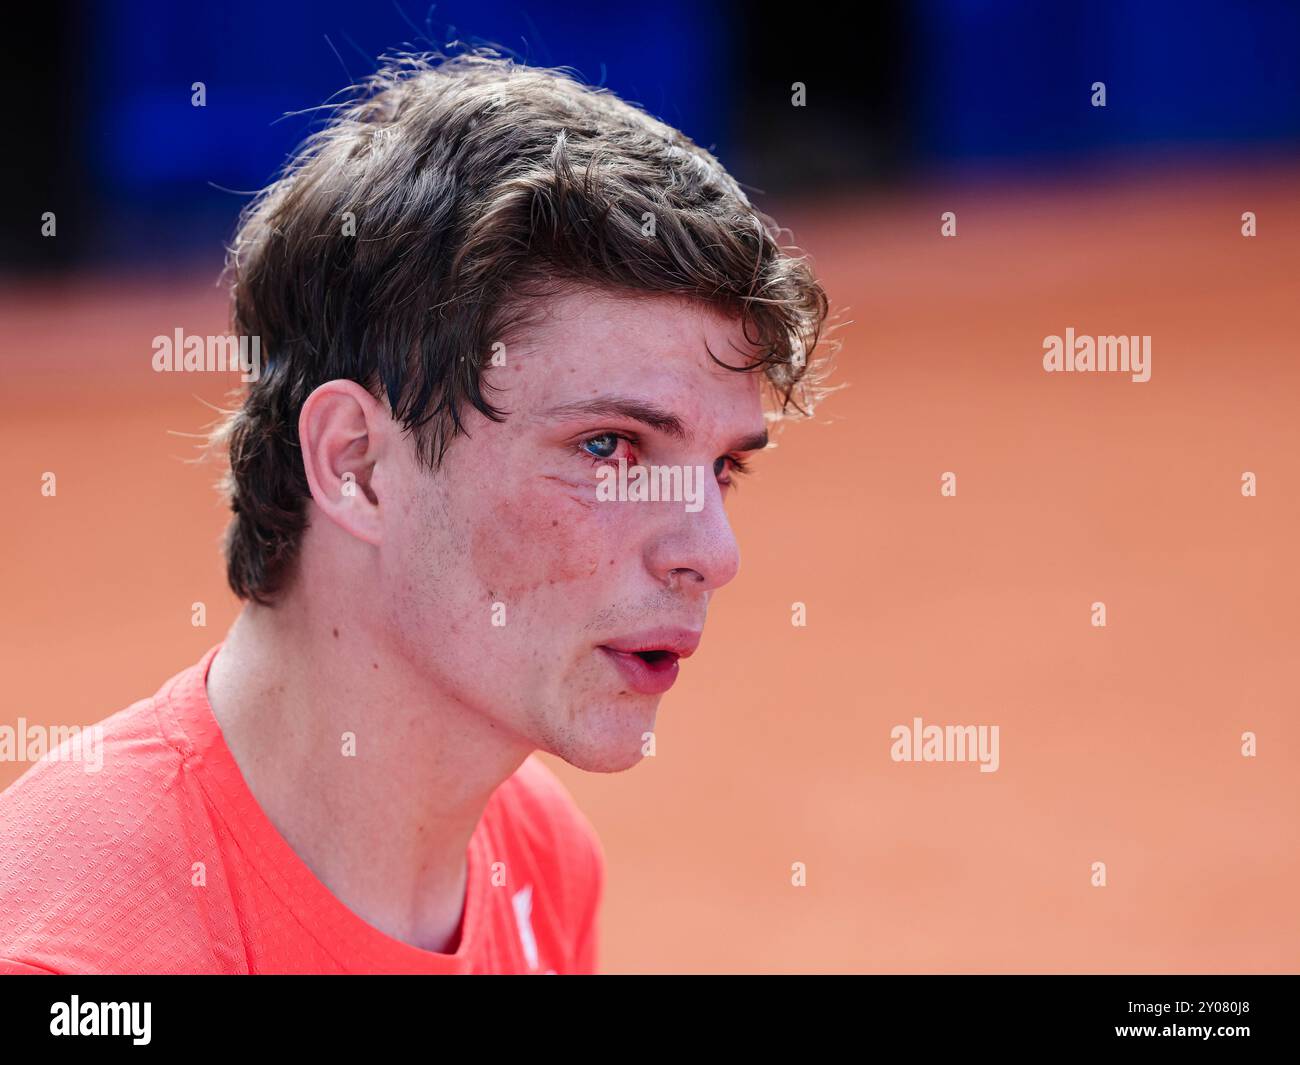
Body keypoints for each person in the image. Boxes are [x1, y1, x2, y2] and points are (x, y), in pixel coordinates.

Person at [0, 49, 829, 974]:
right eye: (610, 448)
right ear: (356, 464)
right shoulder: (84, 962)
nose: (713, 553)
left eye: (722, 468)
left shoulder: (537, 860)